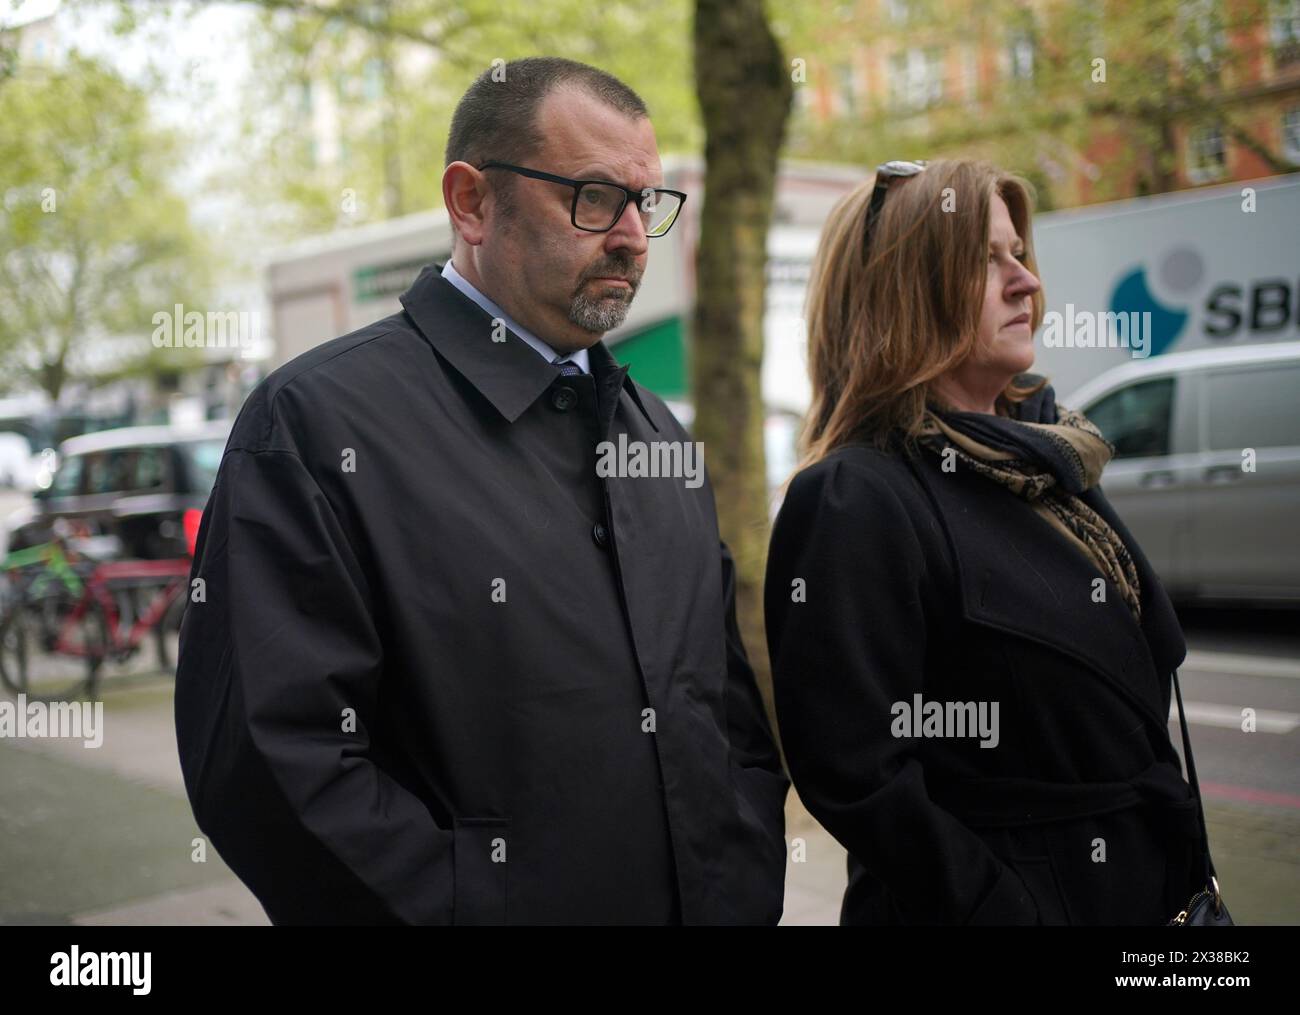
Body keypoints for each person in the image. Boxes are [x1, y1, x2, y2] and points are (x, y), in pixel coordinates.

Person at [175, 56, 788, 925]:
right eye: (592, 197)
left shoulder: (660, 437)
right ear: (471, 202)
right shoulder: (315, 424)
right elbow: (270, 766)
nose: (631, 237)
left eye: (646, 204)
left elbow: (725, 716)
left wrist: (740, 876)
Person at [765, 158, 1207, 925]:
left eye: (1019, 254)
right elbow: (858, 775)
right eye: (984, 260)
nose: (1026, 282)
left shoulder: (1046, 453)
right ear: (903, 295)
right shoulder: (855, 497)